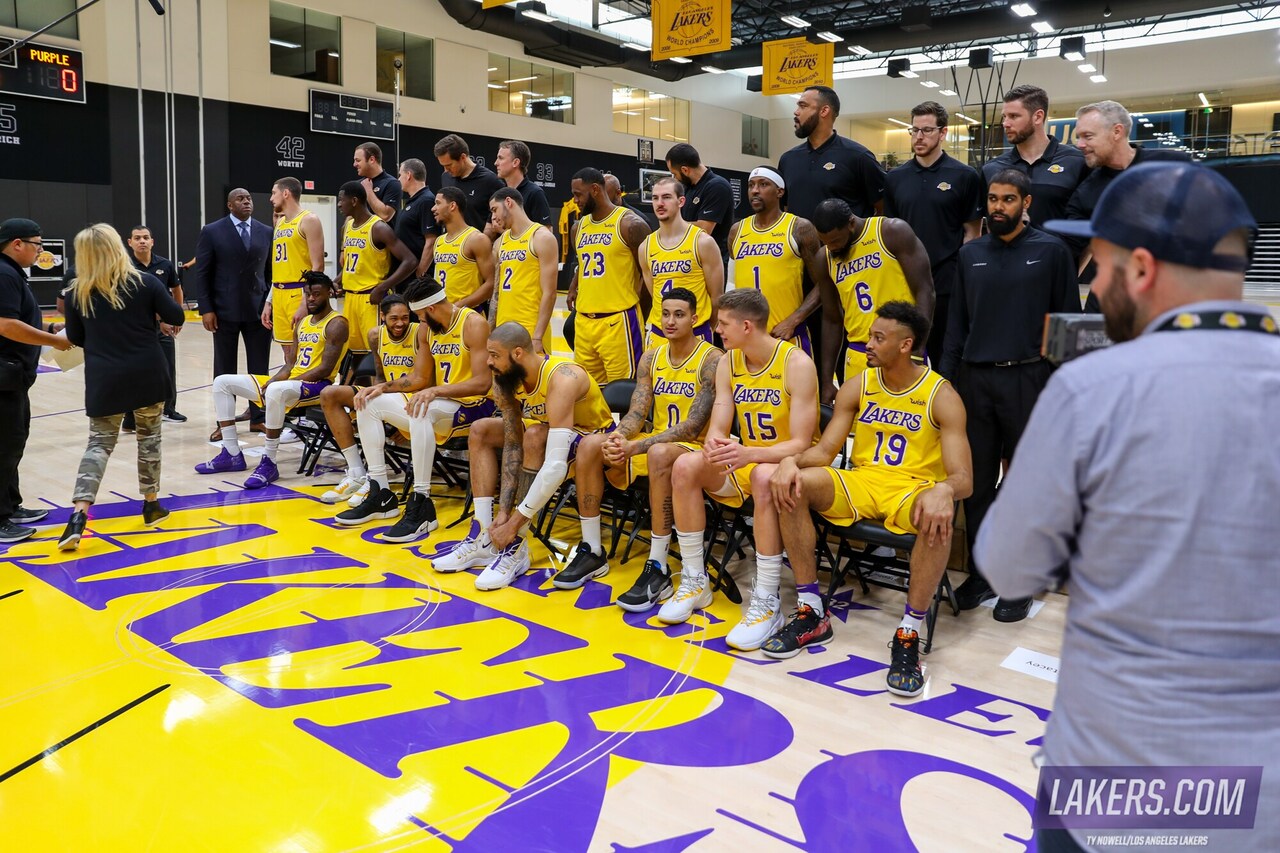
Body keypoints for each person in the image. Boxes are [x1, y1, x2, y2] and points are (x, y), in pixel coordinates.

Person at [982, 163, 1280, 853]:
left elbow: (1008, 566)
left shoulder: (1095, 389)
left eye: (1101, 264)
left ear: (1140, 268)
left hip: (1114, 780)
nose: (1091, 282)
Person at [756, 302, 971, 686]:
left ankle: (909, 631)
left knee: (941, 513)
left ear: (906, 345)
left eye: (878, 338)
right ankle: (810, 610)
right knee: (793, 484)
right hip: (863, 480)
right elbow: (824, 452)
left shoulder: (941, 394)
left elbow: (963, 478)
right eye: (870, 336)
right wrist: (792, 462)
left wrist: (944, 489)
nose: (867, 344)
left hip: (911, 490)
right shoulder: (859, 385)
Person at [941, 169, 1080, 624]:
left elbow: (1066, 327)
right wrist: (944, 384)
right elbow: (956, 326)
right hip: (975, 382)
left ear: (1027, 204)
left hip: (1030, 380)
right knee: (976, 484)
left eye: (1007, 200)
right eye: (993, 199)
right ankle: (983, 572)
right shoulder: (971, 254)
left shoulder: (1052, 251)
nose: (997, 207)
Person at [663, 289, 819, 650]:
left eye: (723, 323)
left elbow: (801, 443)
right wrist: (716, 443)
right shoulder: (728, 362)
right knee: (685, 464)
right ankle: (694, 580)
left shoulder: (796, 363)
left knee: (765, 475)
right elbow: (720, 417)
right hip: (745, 460)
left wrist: (749, 453)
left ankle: (766, 601)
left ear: (747, 326)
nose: (716, 329)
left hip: (786, 467)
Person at [555, 287, 722, 607]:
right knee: (591, 444)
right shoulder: (652, 356)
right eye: (666, 314)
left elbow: (692, 426)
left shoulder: (712, 359)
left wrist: (637, 446)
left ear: (695, 318)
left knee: (658, 454)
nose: (670, 321)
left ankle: (658, 565)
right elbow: (636, 413)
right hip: (653, 444)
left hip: (692, 450)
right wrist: (619, 436)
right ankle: (592, 550)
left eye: (679, 315)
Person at [431, 322, 614, 589]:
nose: (488, 362)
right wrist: (503, 512)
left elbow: (555, 467)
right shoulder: (507, 379)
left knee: (536, 435)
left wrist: (514, 523)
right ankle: (483, 535)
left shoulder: (563, 377)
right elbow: (513, 444)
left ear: (517, 353)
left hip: (594, 441)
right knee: (482, 429)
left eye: (494, 355)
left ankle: (516, 546)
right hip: (546, 439)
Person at [57, 223, 186, 550]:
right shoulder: (146, 282)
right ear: (120, 247)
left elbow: (75, 339)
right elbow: (176, 316)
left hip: (105, 377)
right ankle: (152, 505)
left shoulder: (77, 292)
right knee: (149, 438)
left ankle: (78, 515)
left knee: (98, 444)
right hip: (147, 372)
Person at [337, 277, 494, 539]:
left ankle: (422, 502)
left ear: (430, 309)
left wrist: (435, 390)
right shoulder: (427, 329)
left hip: (474, 405)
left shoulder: (474, 324)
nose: (417, 321)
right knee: (368, 401)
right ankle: (381, 492)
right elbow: (420, 379)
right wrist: (383, 387)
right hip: (441, 403)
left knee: (422, 407)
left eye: (419, 316)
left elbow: (482, 382)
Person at [194, 272, 348, 489]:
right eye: (308, 294)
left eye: (317, 294)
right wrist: (273, 380)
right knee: (222, 382)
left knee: (276, 391)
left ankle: (269, 462)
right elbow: (289, 365)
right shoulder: (302, 322)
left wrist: (278, 385)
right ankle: (231, 453)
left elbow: (325, 369)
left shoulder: (337, 323)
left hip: (317, 386)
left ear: (329, 293)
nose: (311, 299)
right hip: (291, 383)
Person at [884, 101, 984, 366]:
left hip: (946, 283)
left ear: (943, 133)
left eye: (927, 130)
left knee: (944, 356)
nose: (919, 137)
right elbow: (889, 232)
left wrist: (964, 278)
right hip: (904, 282)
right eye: (914, 130)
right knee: (903, 355)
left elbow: (972, 233)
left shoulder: (964, 176)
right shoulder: (895, 178)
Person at [1065, 100, 1191, 308]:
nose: (1079, 144)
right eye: (1079, 137)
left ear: (1117, 132)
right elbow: (1065, 248)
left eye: (1087, 136)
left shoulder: (1173, 165)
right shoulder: (1087, 191)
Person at [810, 199, 934, 403]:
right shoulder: (824, 258)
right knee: (861, 431)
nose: (830, 247)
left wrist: (917, 350)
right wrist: (826, 381)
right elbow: (832, 319)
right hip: (859, 354)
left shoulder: (891, 232)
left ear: (850, 223)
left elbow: (925, 291)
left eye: (834, 240)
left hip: (901, 351)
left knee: (907, 429)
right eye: (824, 242)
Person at [0, 218, 72, 543]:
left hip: (14, 378)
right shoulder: (4, 274)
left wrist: (51, 331)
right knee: (4, 445)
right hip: (4, 377)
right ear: (17, 244)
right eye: (37, 244)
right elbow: (5, 325)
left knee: (13, 442)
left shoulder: (12, 273)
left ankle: (11, 506)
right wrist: (53, 341)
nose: (40, 250)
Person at [315, 294, 416, 508]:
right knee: (329, 394)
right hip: (385, 391)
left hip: (409, 397)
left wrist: (392, 416)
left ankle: (375, 480)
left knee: (368, 405)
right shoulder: (375, 335)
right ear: (382, 316)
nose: (400, 323)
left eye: (405, 317)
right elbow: (379, 375)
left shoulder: (419, 333)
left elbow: (425, 380)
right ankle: (356, 473)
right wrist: (376, 393)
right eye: (394, 318)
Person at [193, 188, 273, 437]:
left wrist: (270, 304)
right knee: (223, 370)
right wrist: (206, 309)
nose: (246, 201)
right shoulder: (212, 231)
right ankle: (224, 423)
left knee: (260, 368)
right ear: (229, 205)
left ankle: (258, 417)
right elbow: (202, 273)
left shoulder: (266, 231)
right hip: (224, 310)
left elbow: (270, 273)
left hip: (259, 310)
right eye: (240, 198)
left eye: (248, 198)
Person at [726, 166, 830, 354]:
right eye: (751, 185)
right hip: (743, 338)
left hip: (785, 336)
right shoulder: (736, 231)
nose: (755, 190)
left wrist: (794, 319)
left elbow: (824, 283)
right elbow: (731, 283)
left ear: (780, 191)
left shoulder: (799, 227)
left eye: (763, 184)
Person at [567, 167, 650, 384]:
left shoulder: (630, 224)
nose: (575, 201)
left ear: (595, 189)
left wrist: (645, 316)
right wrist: (575, 284)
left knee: (626, 393)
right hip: (585, 323)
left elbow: (648, 276)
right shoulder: (579, 228)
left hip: (618, 322)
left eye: (578, 194)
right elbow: (587, 262)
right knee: (589, 396)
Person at [980, 84, 1088, 227]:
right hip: (1006, 249)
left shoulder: (1077, 162)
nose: (1005, 123)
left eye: (1014, 116)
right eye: (1004, 117)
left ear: (1037, 117)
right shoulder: (991, 169)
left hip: (1060, 249)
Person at [778, 85, 886, 220]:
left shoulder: (858, 156)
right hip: (799, 241)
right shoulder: (788, 159)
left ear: (824, 111)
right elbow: (786, 208)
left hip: (849, 242)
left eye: (803, 106)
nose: (796, 112)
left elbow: (883, 208)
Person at [334, 180, 417, 354]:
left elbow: (410, 260)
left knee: (376, 354)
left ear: (355, 201)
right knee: (353, 354)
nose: (339, 204)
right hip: (350, 299)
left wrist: (383, 286)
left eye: (342, 200)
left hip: (371, 300)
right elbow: (353, 263)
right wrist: (336, 281)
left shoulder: (378, 227)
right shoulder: (348, 226)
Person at [640, 176, 724, 344]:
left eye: (666, 197)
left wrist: (707, 329)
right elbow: (653, 292)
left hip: (695, 333)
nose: (660, 203)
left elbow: (716, 298)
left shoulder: (702, 242)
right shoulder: (645, 247)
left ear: (681, 201)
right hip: (658, 334)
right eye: (655, 198)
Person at [125, 224, 187, 425]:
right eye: (137, 238)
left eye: (145, 237)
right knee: (135, 370)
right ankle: (131, 415)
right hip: (135, 328)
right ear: (130, 242)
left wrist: (175, 315)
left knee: (167, 368)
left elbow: (176, 289)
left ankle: (169, 409)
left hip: (163, 328)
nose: (142, 241)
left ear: (152, 241)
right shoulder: (124, 266)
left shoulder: (165, 265)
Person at [488, 187, 558, 352]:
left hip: (530, 329)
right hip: (503, 330)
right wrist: (491, 330)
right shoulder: (500, 242)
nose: (493, 217)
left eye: (494, 209)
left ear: (508, 202)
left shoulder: (542, 237)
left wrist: (538, 336)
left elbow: (550, 292)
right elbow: (496, 291)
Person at [265, 177, 324, 366]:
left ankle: (308, 393)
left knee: (304, 353)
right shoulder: (280, 223)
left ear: (285, 193)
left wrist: (305, 302)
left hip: (299, 293)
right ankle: (291, 394)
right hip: (279, 293)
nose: (271, 198)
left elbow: (318, 267)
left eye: (274, 193)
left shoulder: (309, 220)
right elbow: (279, 267)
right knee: (288, 354)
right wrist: (269, 301)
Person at [666, 142, 735, 258]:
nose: (675, 179)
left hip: (712, 260)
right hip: (689, 257)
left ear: (685, 170)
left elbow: (704, 229)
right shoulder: (687, 187)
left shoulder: (717, 186)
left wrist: (671, 225)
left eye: (674, 174)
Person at [432, 185, 494, 310]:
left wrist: (459, 306)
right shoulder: (439, 241)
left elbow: (491, 284)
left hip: (467, 315)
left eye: (438, 203)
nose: (433, 208)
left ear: (452, 206)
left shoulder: (476, 239)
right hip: (441, 315)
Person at [434, 133, 505, 233]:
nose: (446, 170)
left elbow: (502, 217)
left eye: (449, 165)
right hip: (450, 244)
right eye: (443, 166)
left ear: (463, 157)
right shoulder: (445, 177)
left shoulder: (490, 181)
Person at [394, 158, 441, 280]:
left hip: (416, 277)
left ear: (409, 175)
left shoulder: (426, 201)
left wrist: (420, 273)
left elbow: (431, 241)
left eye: (400, 175)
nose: (398, 179)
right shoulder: (413, 201)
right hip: (405, 273)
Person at [495, 140, 552, 226]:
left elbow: (546, 232)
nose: (496, 163)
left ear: (515, 162)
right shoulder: (499, 194)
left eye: (500, 158)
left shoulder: (535, 193)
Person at [353, 141, 402, 225]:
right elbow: (351, 217)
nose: (354, 164)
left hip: (382, 237)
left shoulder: (392, 184)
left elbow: (385, 215)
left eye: (358, 160)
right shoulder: (358, 185)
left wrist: (368, 191)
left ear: (372, 159)